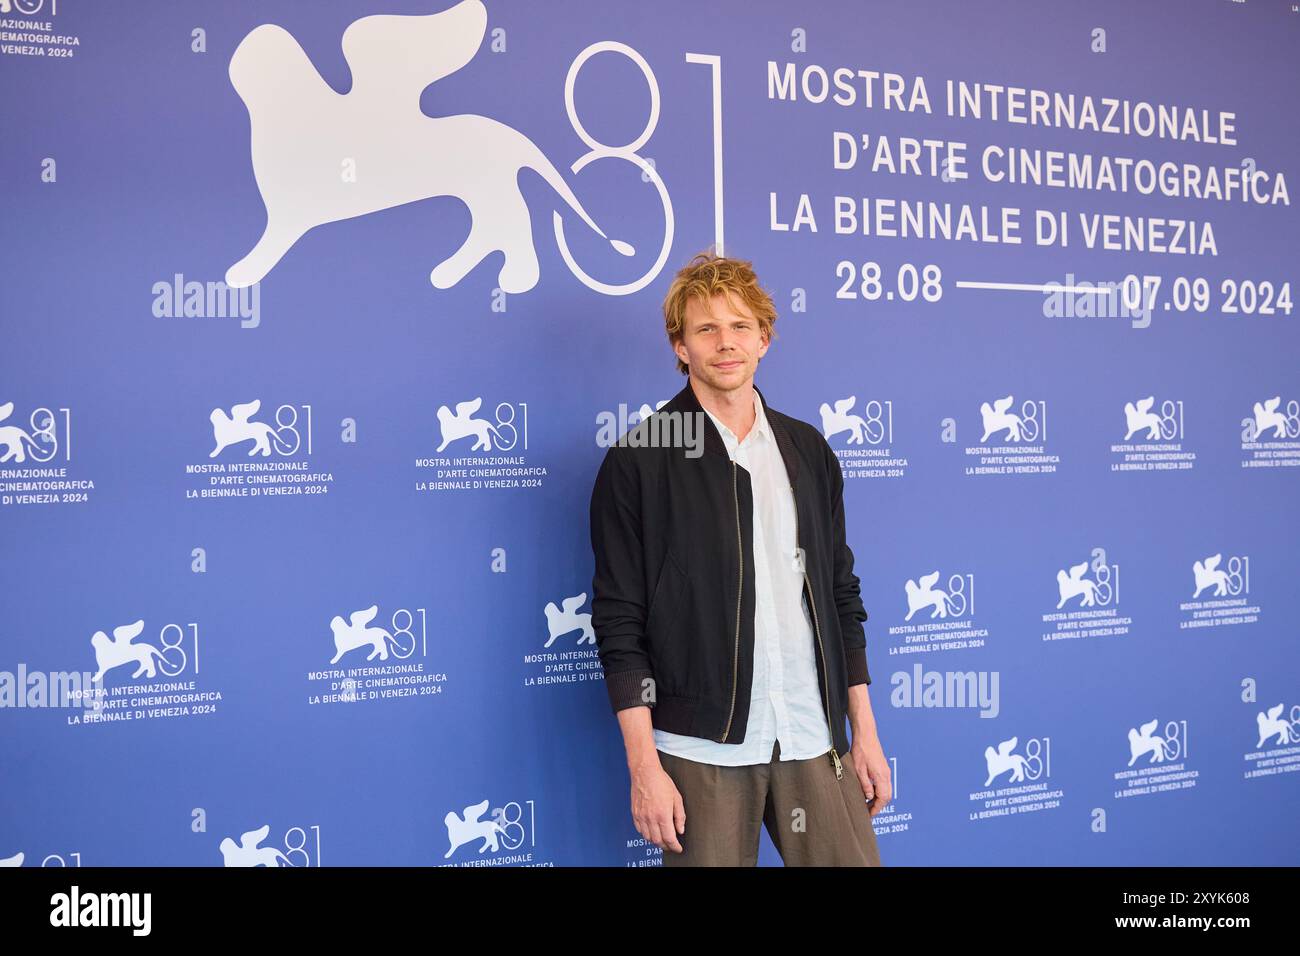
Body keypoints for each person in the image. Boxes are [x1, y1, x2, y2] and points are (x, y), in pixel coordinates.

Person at [588, 250, 891, 866]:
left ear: (764, 339)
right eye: (706, 329)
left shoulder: (807, 449)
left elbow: (840, 596)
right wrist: (644, 766)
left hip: (812, 731)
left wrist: (865, 733)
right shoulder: (639, 460)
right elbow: (620, 623)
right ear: (680, 345)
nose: (725, 344)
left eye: (740, 327)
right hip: (703, 747)